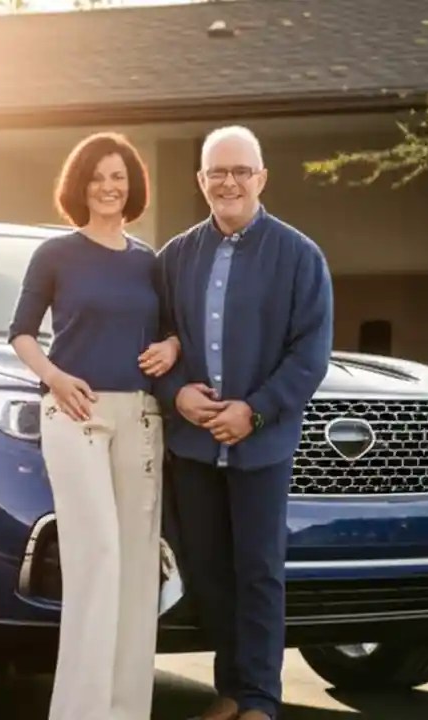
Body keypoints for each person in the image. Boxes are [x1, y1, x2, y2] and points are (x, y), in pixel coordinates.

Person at [153, 126, 334, 720]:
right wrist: (176, 395)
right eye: (216, 173)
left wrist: (253, 410)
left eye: (240, 171)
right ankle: (230, 689)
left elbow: (309, 354)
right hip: (194, 449)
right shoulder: (175, 257)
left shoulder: (301, 256)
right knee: (209, 573)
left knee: (258, 572)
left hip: (262, 446)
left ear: (261, 178)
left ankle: (259, 697)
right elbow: (153, 344)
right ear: (200, 181)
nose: (228, 182)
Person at [8, 131, 180, 720]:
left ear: (131, 189)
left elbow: (170, 329)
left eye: (119, 179)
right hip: (75, 414)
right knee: (99, 556)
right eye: (98, 177)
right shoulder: (55, 254)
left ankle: (128, 711)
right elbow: (22, 333)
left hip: (139, 416)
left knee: (136, 569)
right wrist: (54, 378)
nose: (109, 188)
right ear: (79, 185)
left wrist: (173, 347)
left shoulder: (148, 262)